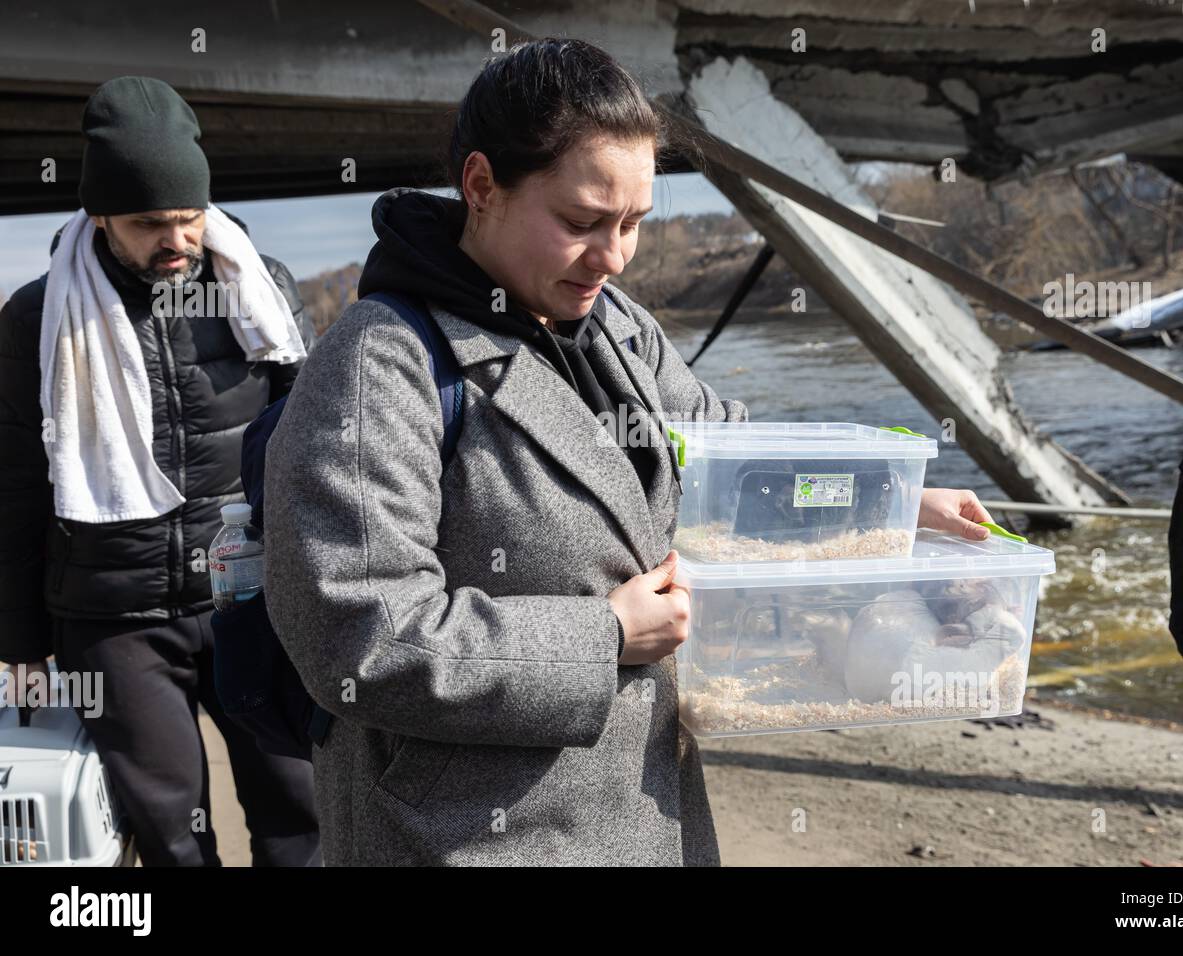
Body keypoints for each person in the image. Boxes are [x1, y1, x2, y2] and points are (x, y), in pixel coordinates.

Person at [263, 38, 994, 866]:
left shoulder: (616, 331)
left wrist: (890, 504)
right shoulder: (377, 364)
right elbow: (360, 639)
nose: (612, 258)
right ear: (481, 187)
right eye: (580, 223)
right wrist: (605, 634)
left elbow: (733, 463)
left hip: (650, 814)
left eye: (634, 223)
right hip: (468, 838)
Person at [0, 76, 320, 866]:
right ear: (99, 215)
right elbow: (13, 482)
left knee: (299, 809)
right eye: (150, 224)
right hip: (114, 618)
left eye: (189, 219)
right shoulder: (37, 319)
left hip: (248, 595)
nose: (176, 240)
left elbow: (314, 448)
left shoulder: (263, 292)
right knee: (171, 839)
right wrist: (18, 641)